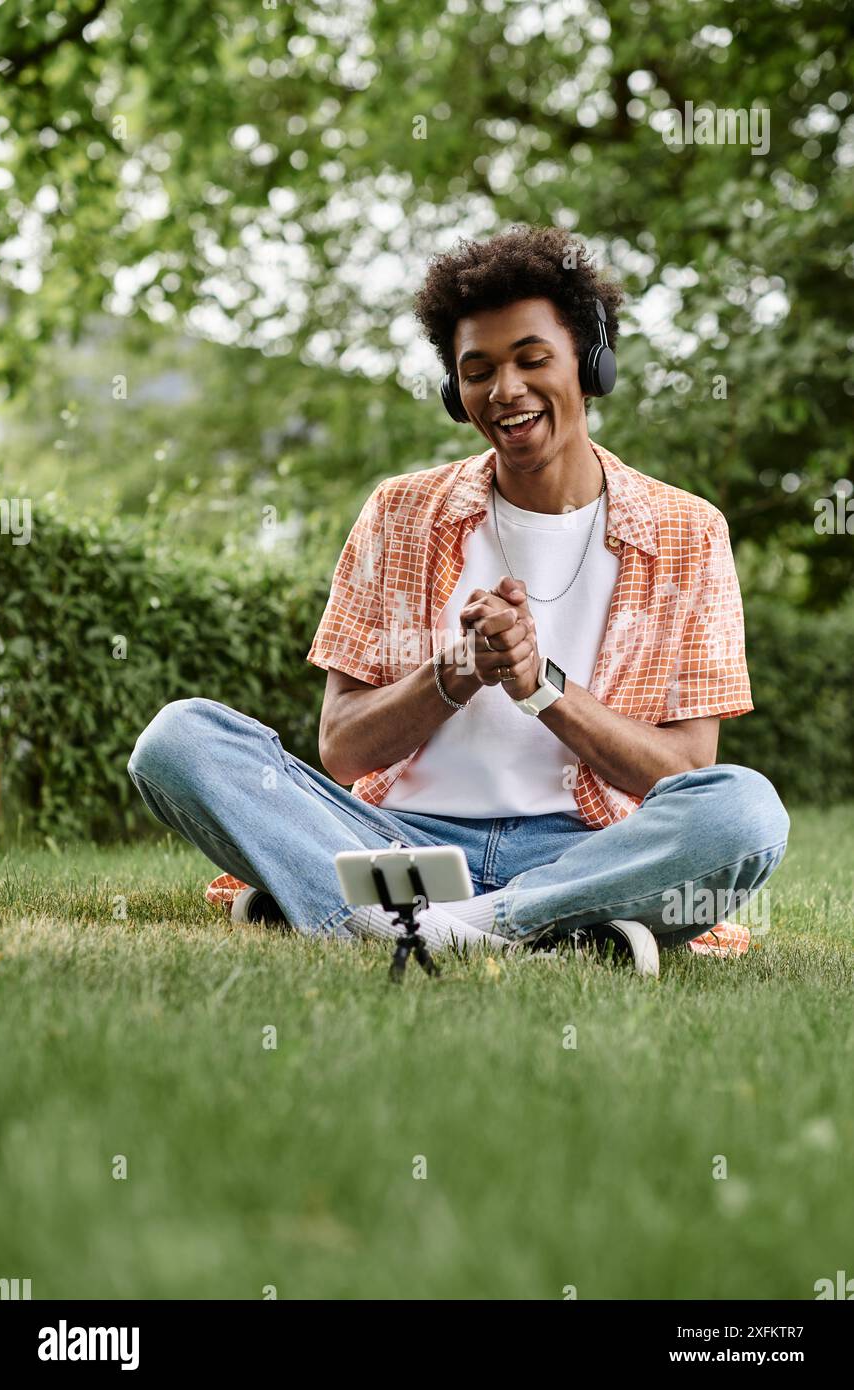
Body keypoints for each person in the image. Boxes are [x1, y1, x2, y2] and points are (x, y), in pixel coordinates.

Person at [127, 225, 790, 977]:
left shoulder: (686, 531)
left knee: (745, 811)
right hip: (399, 842)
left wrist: (540, 686)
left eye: (532, 360)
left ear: (591, 366)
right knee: (178, 741)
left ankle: (414, 920)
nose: (505, 390)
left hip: (585, 848)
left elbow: (682, 769)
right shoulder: (399, 512)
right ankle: (542, 926)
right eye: (478, 371)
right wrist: (457, 673)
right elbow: (341, 748)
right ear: (455, 391)